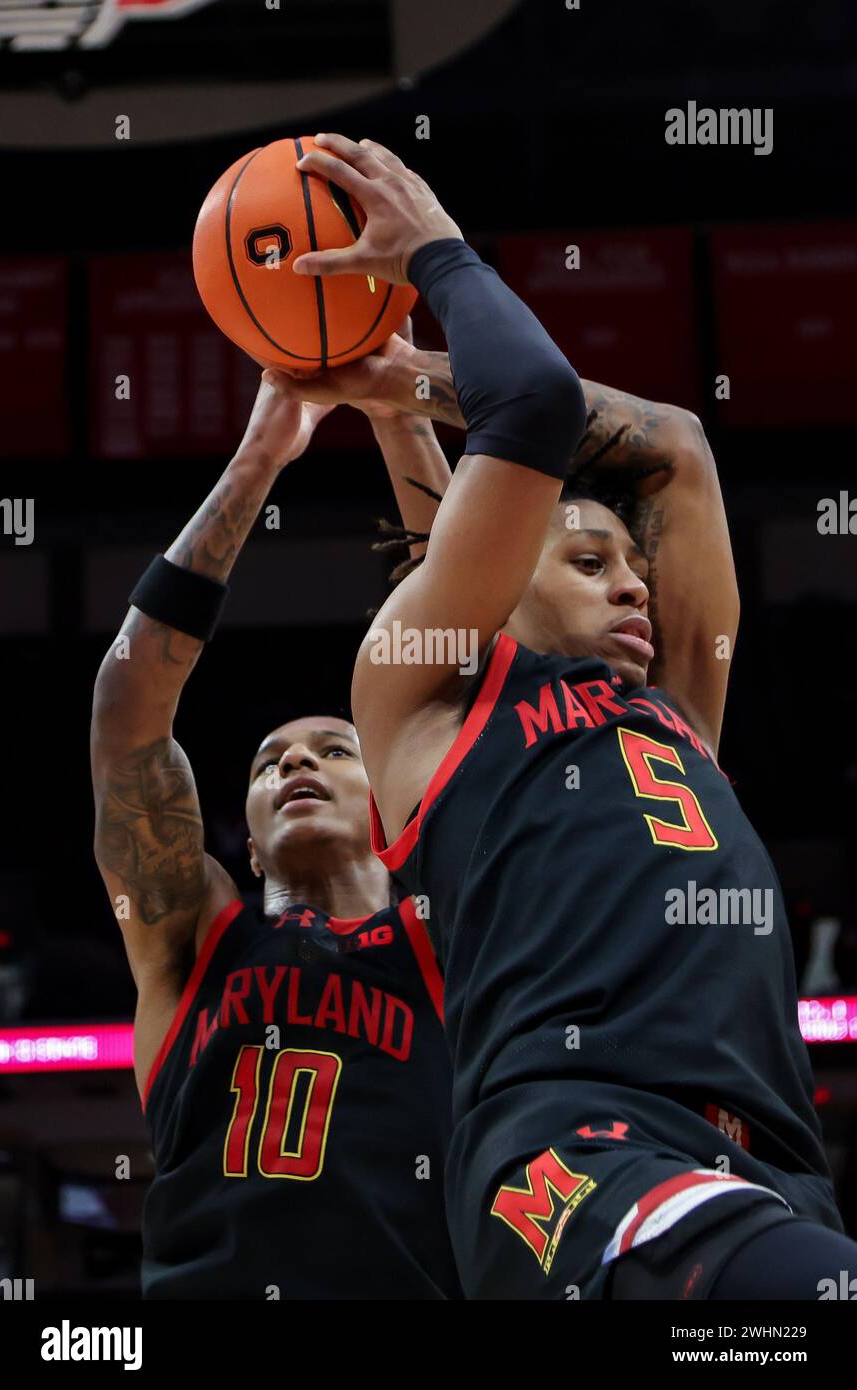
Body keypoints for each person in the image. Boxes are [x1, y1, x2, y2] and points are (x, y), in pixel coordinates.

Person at [285, 131, 857, 1299]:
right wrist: (440, 257)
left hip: (770, 1170)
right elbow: (534, 401)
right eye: (588, 559)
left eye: (627, 565)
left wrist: (405, 385)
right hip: (578, 1157)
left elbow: (677, 450)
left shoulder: (677, 719)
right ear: (489, 588)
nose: (634, 583)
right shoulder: (432, 707)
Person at [90, 371, 460, 1299]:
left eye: (335, 749)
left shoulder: (451, 933)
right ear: (246, 846)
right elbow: (128, 712)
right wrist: (261, 457)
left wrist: (397, 412)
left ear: (389, 812)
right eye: (267, 764)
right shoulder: (194, 941)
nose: (295, 765)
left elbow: (473, 636)